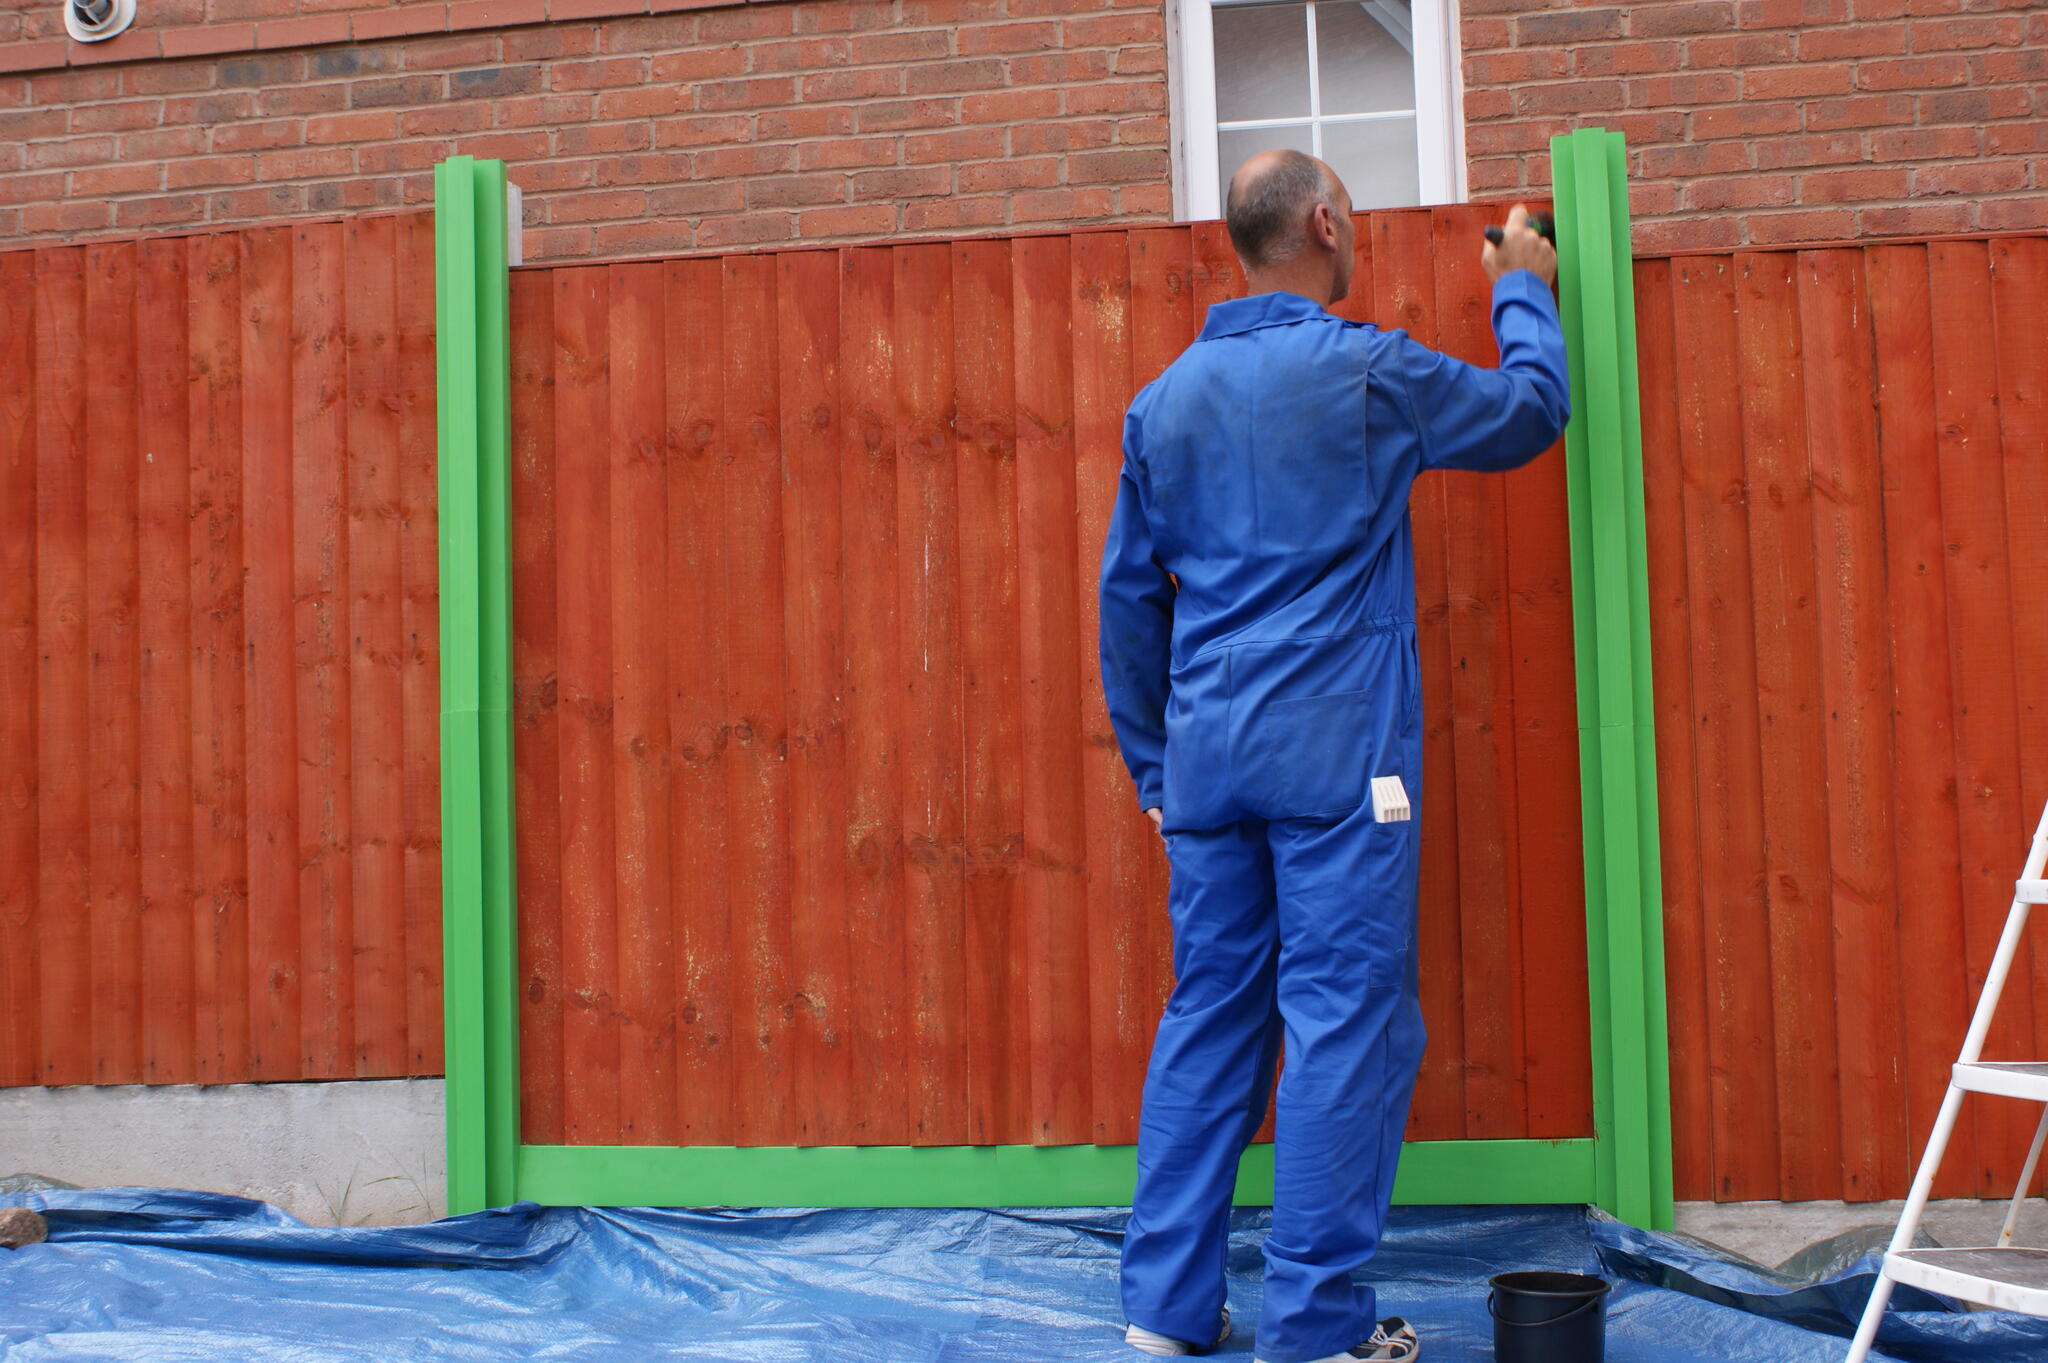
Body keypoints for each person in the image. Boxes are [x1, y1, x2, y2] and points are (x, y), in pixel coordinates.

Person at [1097, 150, 1568, 1363]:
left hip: (1208, 770)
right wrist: (1521, 286)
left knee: (1209, 1019)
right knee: (1343, 1024)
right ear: (1321, 223)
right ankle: (1312, 1332)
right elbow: (1528, 414)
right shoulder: (1367, 372)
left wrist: (1156, 770)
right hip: (1336, 770)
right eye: (1348, 222)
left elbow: (1125, 607)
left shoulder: (1160, 404)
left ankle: (1160, 1313)